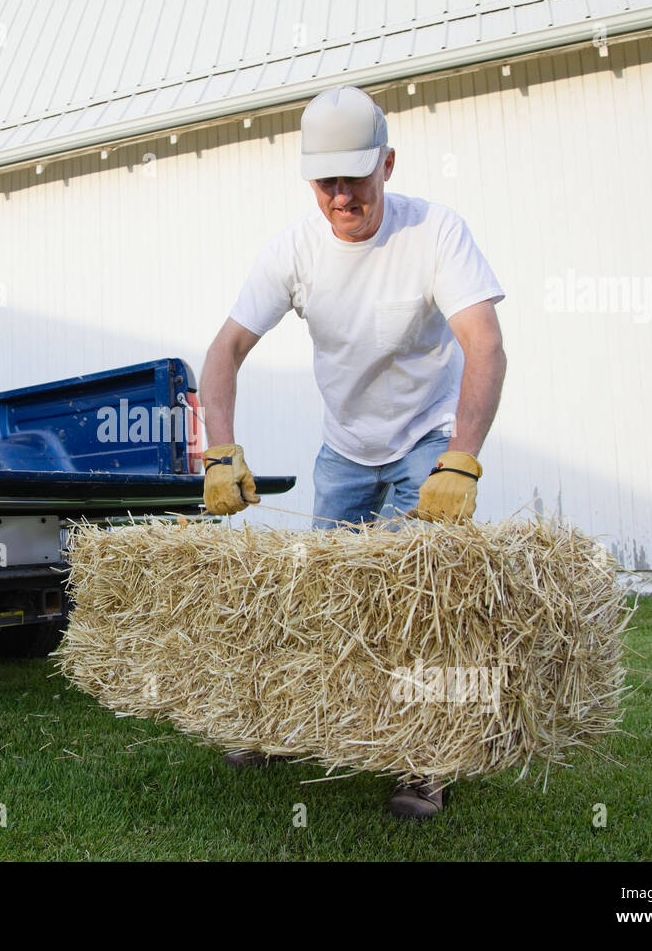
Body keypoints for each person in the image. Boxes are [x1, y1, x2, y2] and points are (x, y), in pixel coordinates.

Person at [198, 85, 508, 820]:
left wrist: (460, 458)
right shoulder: (293, 251)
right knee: (320, 604)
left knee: (419, 604)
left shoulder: (435, 232)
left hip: (424, 444)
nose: (341, 196)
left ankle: (422, 762)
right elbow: (224, 351)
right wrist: (220, 452)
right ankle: (284, 728)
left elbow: (485, 346)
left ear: (388, 165)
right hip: (344, 451)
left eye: (355, 179)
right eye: (326, 181)